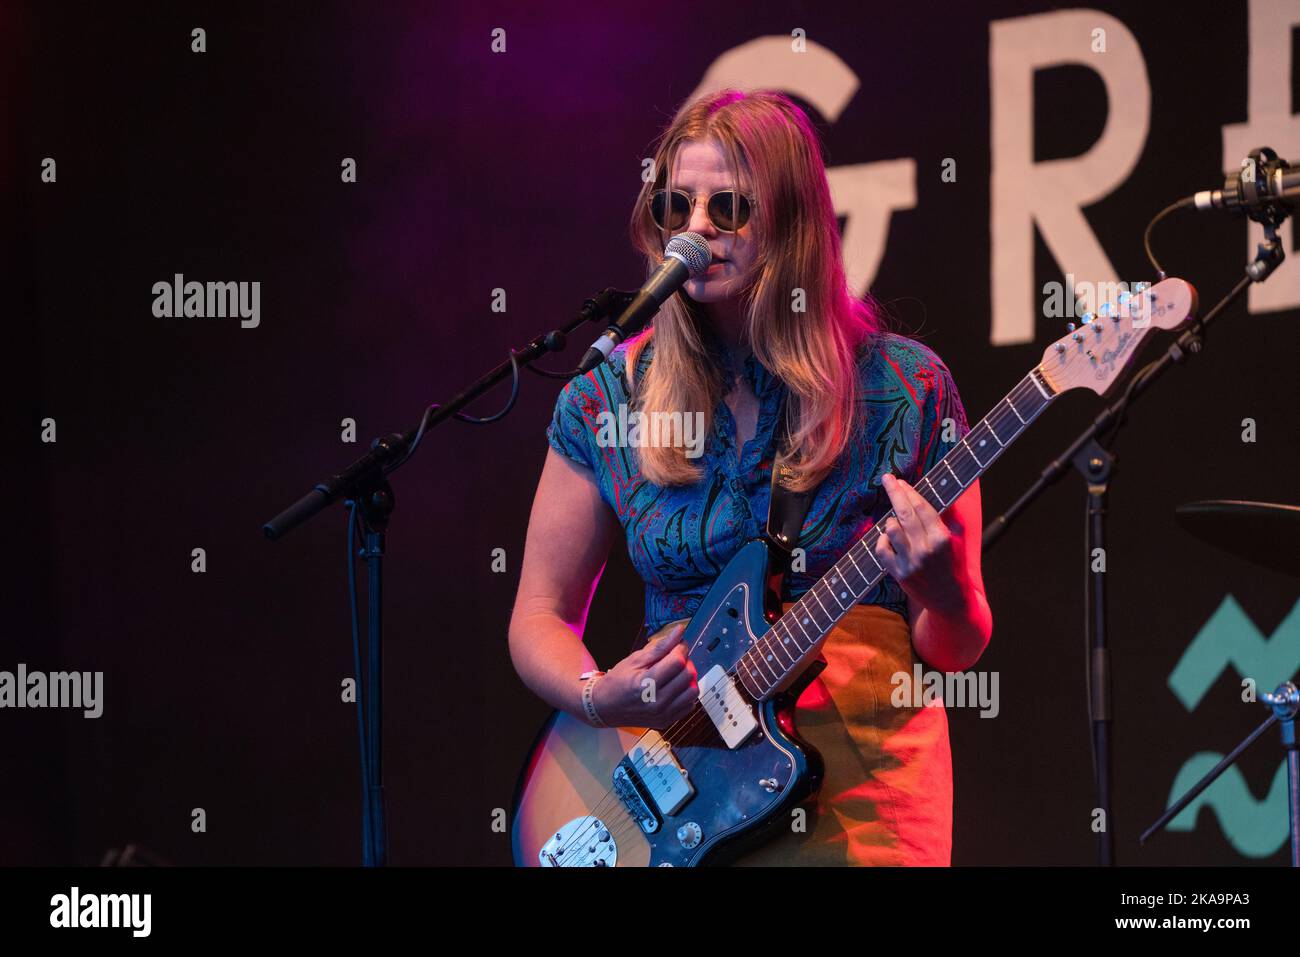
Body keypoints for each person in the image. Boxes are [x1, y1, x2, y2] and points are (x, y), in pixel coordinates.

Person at [508, 88, 992, 866]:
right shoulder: (607, 398)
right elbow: (538, 614)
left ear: (792, 223)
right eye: (676, 205)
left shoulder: (905, 390)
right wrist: (603, 696)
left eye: (728, 207)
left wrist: (942, 588)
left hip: (861, 789)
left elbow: (960, 644)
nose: (695, 228)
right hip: (679, 788)